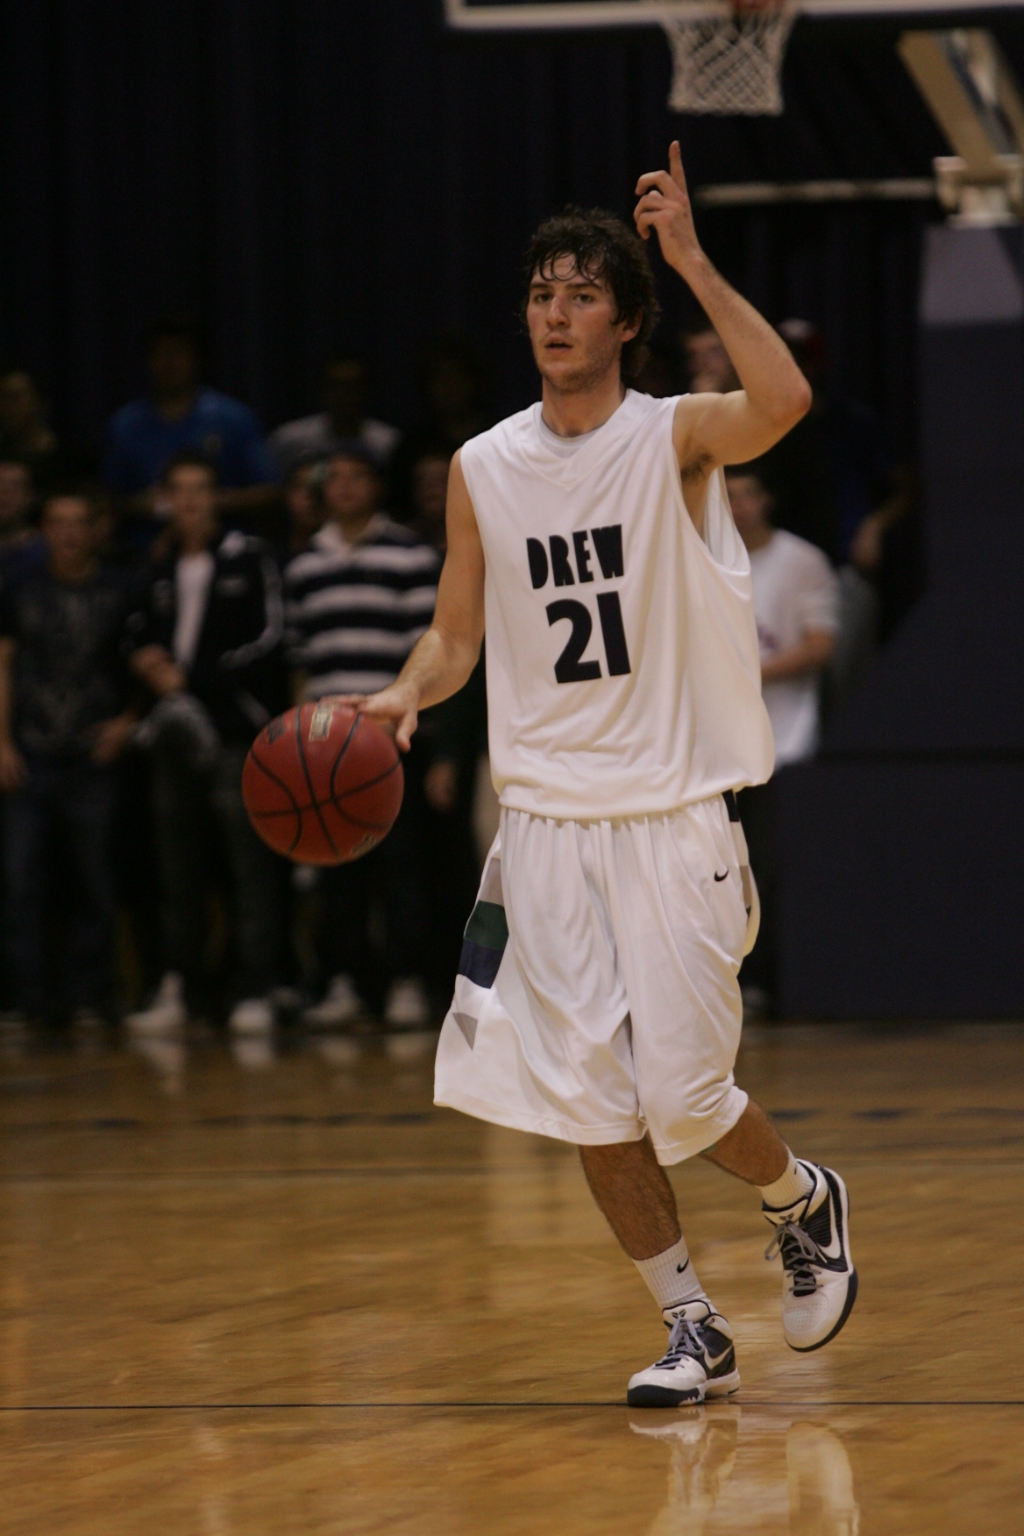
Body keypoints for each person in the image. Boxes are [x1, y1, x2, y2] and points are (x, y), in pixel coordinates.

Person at [343, 147, 857, 1407]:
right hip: (548, 827)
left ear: (624, 320)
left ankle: (802, 1198)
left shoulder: (673, 436)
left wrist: (689, 258)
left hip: (674, 810)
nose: (554, 313)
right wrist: (405, 694)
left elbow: (783, 397)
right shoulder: (481, 465)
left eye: (580, 293)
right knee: (586, 1102)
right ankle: (691, 1323)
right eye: (539, 293)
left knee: (684, 1096)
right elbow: (458, 633)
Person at [126, 452, 288, 1036]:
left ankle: (256, 988)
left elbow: (270, 640)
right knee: (178, 870)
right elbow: (132, 630)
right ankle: (180, 985)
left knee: (249, 868)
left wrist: (190, 677)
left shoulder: (250, 557)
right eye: (179, 492)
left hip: (235, 735)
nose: (190, 502)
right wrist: (145, 661)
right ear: (166, 500)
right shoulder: (158, 568)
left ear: (217, 498)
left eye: (201, 491)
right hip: (172, 737)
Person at [285, 444, 440, 1029]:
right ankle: (346, 981)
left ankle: (404, 981)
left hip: (388, 736)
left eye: (357, 476)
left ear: (377, 486)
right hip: (323, 743)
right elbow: (300, 659)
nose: (346, 486)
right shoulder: (304, 565)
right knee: (336, 865)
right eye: (336, 477)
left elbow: (428, 649)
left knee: (400, 865)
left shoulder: (407, 554)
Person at [0, 487, 136, 1023]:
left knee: (96, 878)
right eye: (58, 521)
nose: (70, 532)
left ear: (95, 528)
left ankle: (90, 994)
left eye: (79, 520)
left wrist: (128, 722)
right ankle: (22, 998)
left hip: (92, 756)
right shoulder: (18, 589)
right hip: (29, 752)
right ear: (43, 530)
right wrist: (2, 740)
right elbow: (3, 663)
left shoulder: (120, 590)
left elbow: (143, 660)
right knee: (18, 880)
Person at [726, 464, 839, 1012]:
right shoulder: (703, 552)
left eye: (749, 492)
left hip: (784, 738)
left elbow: (822, 644)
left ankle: (764, 981)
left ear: (768, 498)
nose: (739, 504)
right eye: (730, 494)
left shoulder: (801, 561)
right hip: (716, 744)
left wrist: (749, 671)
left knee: (769, 867)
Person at [103, 320, 278, 547]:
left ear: (197, 360)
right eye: (160, 355)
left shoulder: (233, 417)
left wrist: (205, 501)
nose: (169, 363)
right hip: (145, 552)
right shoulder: (125, 424)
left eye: (178, 354)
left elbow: (268, 492)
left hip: (224, 551)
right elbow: (108, 500)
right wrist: (142, 506)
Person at [269, 355, 400, 475]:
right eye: (338, 387)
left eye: (353, 387)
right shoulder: (290, 440)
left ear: (366, 392)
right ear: (322, 391)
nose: (345, 396)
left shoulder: (388, 443)